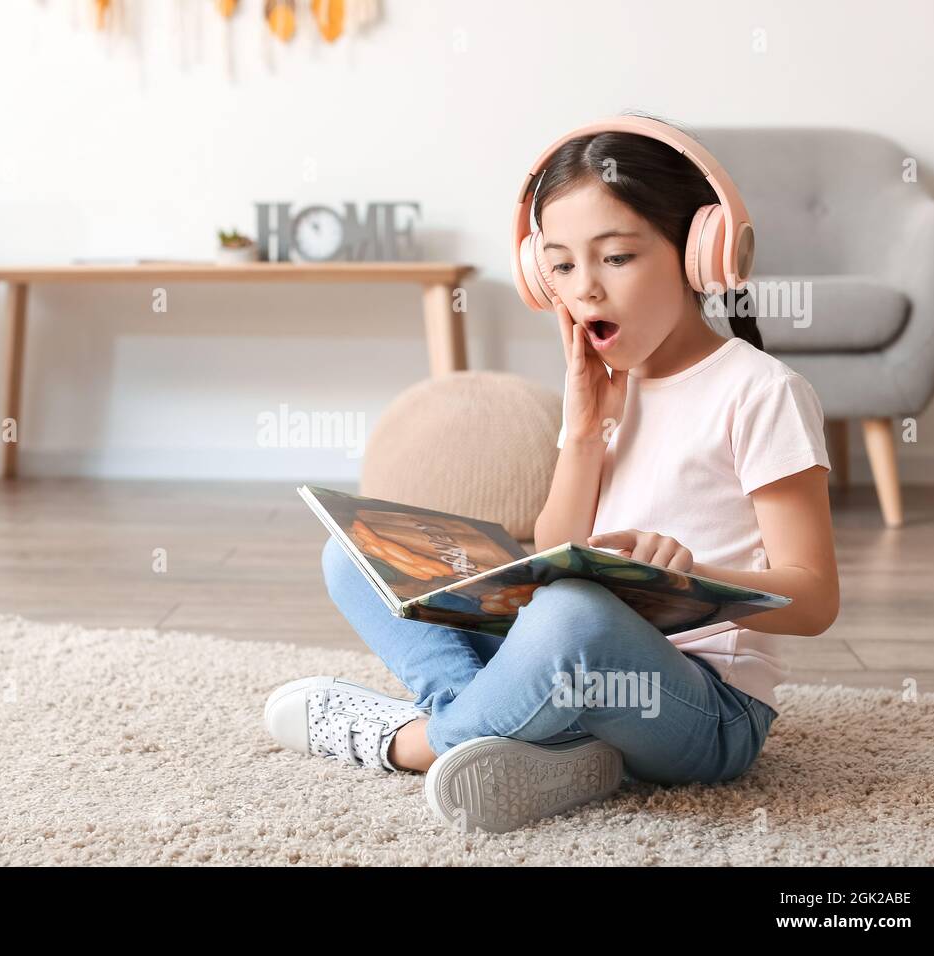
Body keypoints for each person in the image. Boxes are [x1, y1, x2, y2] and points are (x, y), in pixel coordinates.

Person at [264, 113, 840, 834]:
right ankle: (552, 743)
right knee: (357, 552)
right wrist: (587, 434)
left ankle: (414, 740)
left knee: (574, 617)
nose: (586, 290)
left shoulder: (761, 392)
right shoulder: (599, 387)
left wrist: (688, 579)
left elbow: (815, 600)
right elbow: (552, 551)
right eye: (563, 266)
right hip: (576, 656)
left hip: (706, 710)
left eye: (617, 258)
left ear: (699, 254)